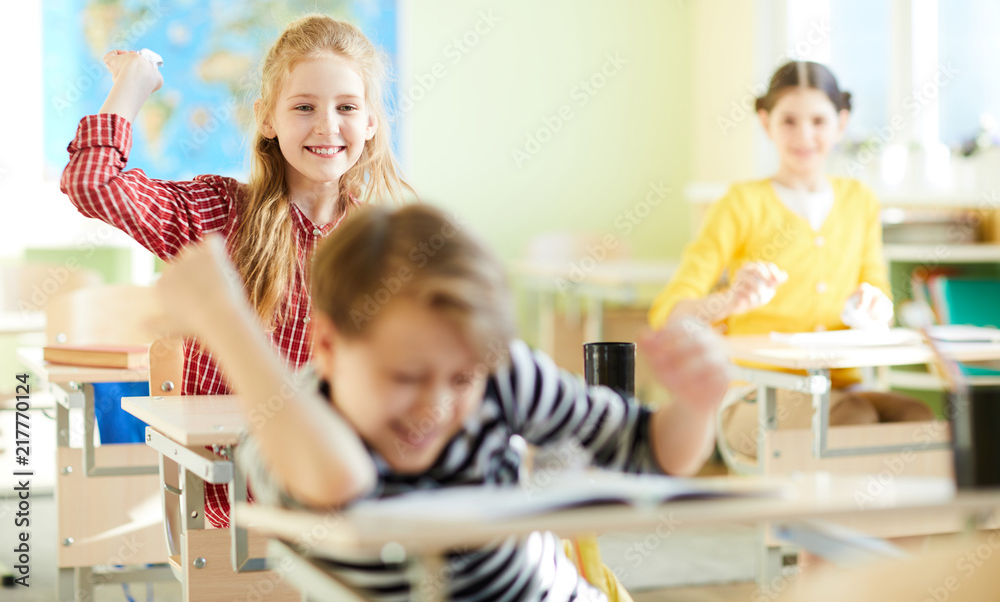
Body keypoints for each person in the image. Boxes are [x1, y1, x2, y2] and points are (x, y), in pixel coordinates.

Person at [154, 204, 733, 601]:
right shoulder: (292, 432)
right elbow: (341, 480)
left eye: (461, 379)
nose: (434, 403)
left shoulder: (499, 373)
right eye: (406, 376)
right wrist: (224, 322)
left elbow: (650, 449)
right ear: (327, 346)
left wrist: (697, 404)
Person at [61, 14, 412, 527]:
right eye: (304, 107)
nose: (327, 126)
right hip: (238, 504)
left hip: (348, 496)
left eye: (347, 108)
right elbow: (92, 184)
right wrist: (131, 87)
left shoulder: (382, 243)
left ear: (371, 122)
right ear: (267, 119)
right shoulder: (217, 216)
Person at [648, 61, 933, 459]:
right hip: (754, 397)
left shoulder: (859, 201)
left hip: (842, 388)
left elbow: (880, 295)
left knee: (918, 418)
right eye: (789, 121)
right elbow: (667, 317)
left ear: (841, 122)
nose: (805, 135)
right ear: (766, 123)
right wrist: (730, 301)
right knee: (853, 420)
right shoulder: (740, 204)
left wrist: (873, 306)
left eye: (819, 120)